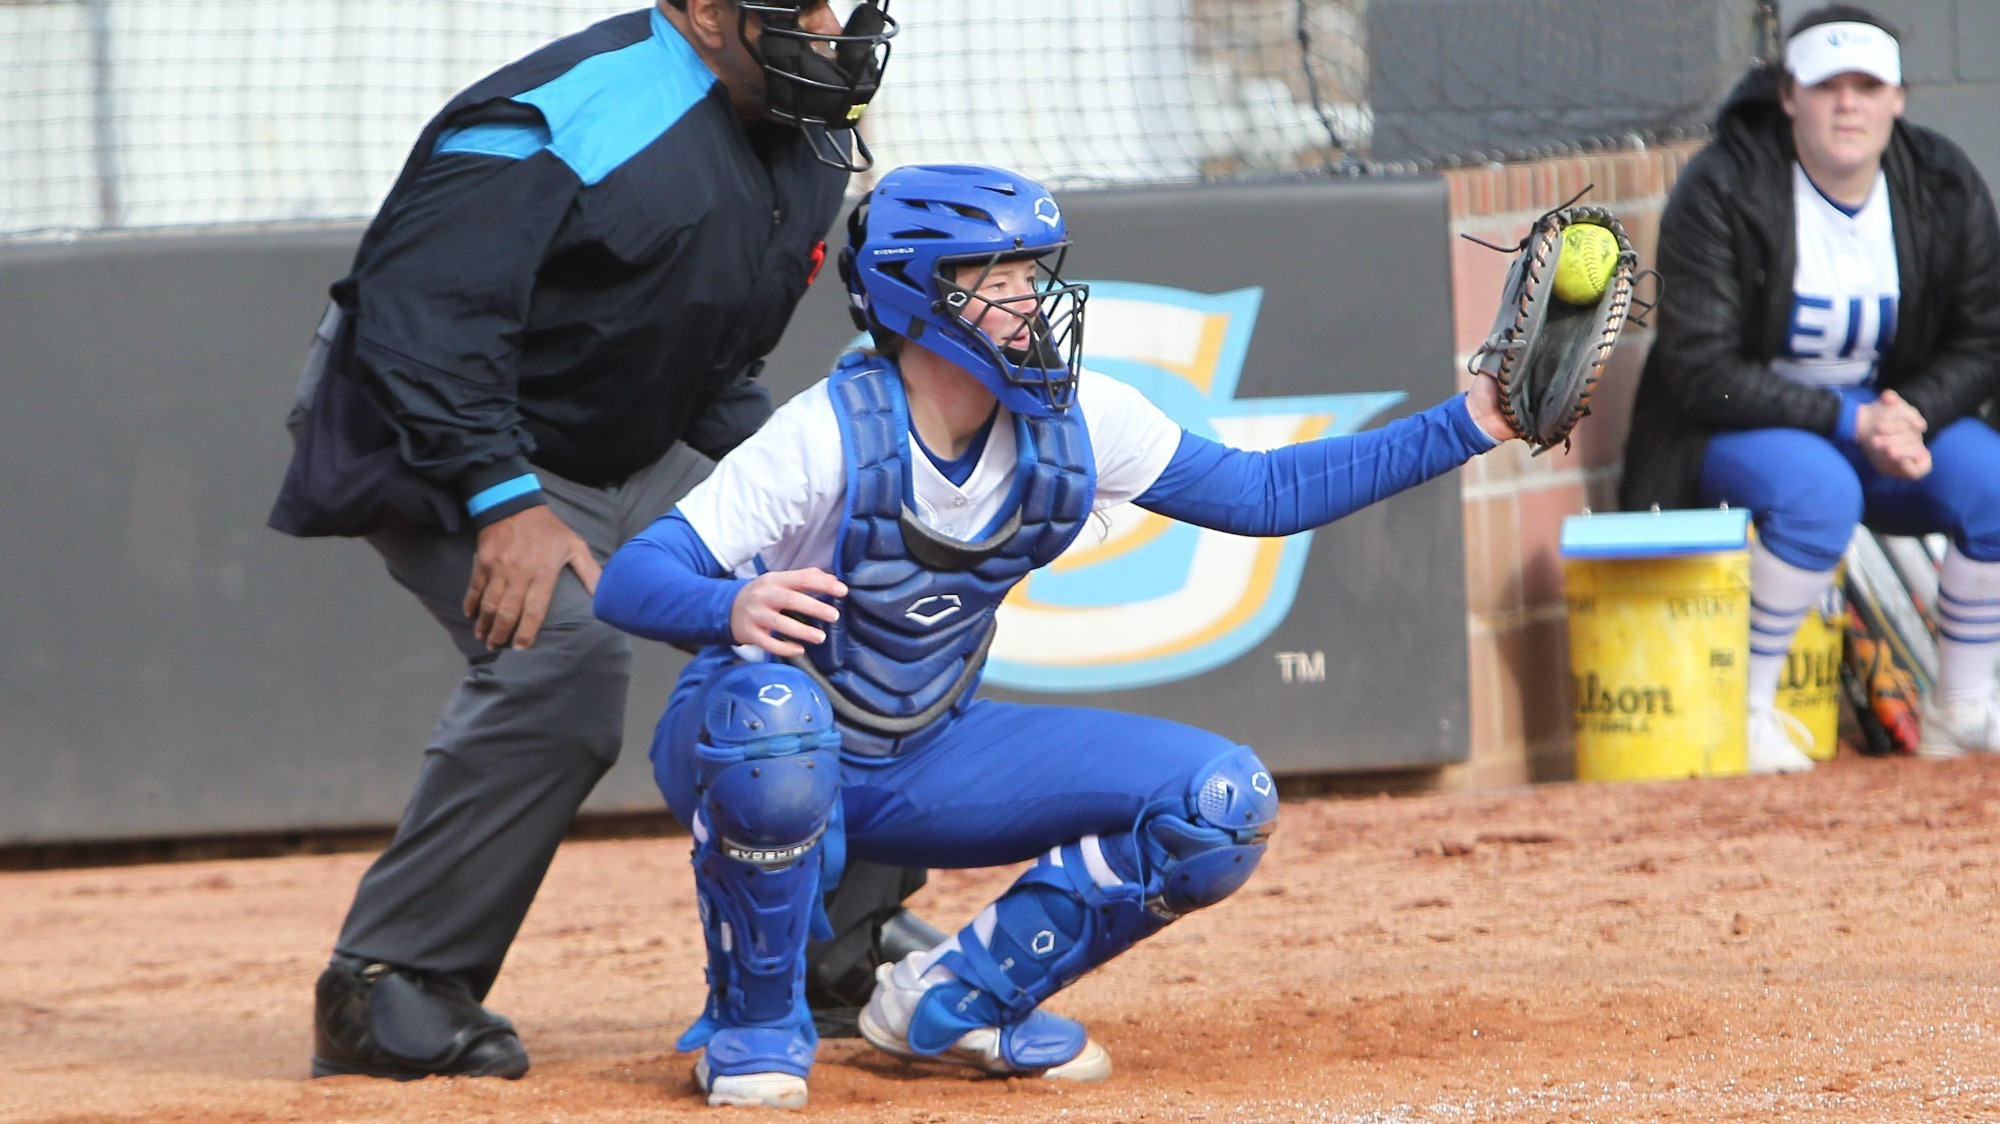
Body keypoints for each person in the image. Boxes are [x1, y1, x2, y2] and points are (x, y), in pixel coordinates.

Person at [592, 162, 1521, 1108]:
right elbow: (633, 578)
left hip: (923, 749)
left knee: (1218, 804)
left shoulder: (1080, 414)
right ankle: (754, 1027)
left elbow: (1264, 493)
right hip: (763, 744)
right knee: (773, 718)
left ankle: (952, 1003)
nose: (1031, 301)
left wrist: (1475, 421)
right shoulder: (825, 434)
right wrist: (728, 608)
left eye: (1034, 274)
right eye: (997, 280)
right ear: (919, 294)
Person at [266, 0, 921, 1081]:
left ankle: (832, 951)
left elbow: (708, 357)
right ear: (705, 15)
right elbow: (413, 316)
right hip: (444, 432)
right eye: (792, 9)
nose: (824, 30)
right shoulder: (566, 112)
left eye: (830, 5)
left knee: (870, 584)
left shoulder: (805, 124)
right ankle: (386, 982)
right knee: (563, 657)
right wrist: (503, 497)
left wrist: (835, 478)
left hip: (629, 433)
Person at [1619, 5, 2000, 773]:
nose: (1848, 104)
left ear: (1898, 96)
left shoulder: (1941, 181)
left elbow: (1983, 335)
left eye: (1868, 85)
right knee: (1818, 491)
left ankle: (1960, 708)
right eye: (1828, 86)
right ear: (1789, 94)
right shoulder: (1724, 184)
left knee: (1992, 484)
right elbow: (1700, 369)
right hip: (1733, 425)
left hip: (1889, 420)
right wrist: (1849, 421)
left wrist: (1913, 411)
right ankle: (1748, 713)